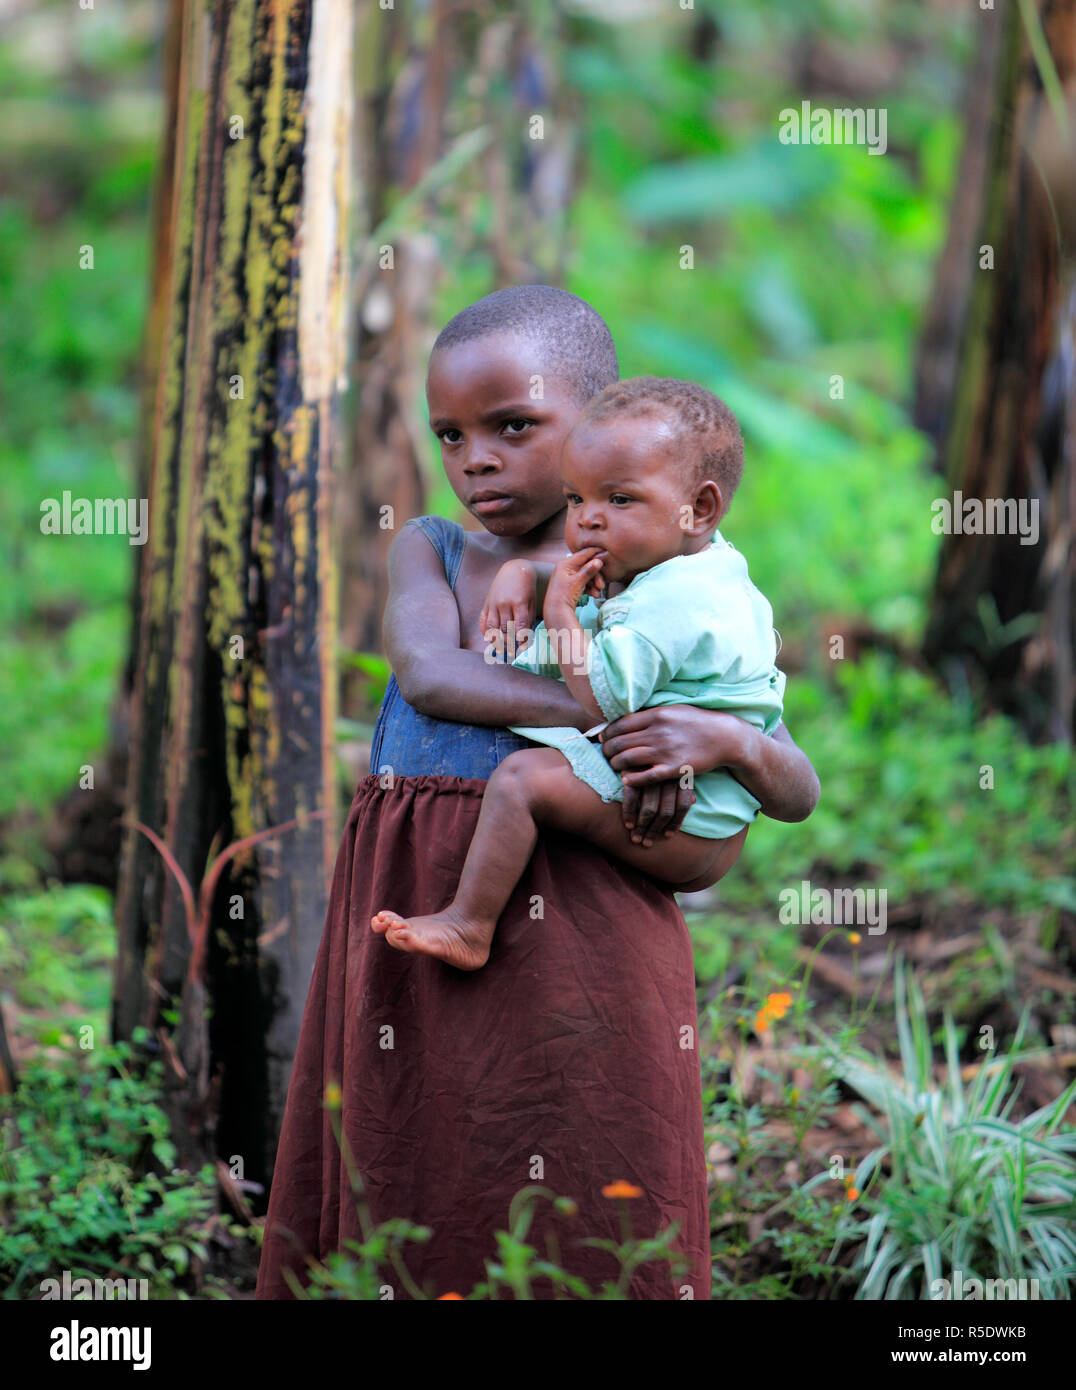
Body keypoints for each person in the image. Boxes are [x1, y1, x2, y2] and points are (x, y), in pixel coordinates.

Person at [255, 285, 820, 1302]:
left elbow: (786, 778)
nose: (475, 457)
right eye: (450, 434)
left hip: (588, 941)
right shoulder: (433, 549)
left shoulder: (670, 588)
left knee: (587, 1167)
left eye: (513, 426)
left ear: (597, 420)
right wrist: (606, 720)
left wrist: (716, 735)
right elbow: (430, 676)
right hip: (422, 897)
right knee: (412, 1157)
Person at [371, 377, 786, 972]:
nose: (589, 521)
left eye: (617, 500)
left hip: (682, 827)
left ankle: (469, 923)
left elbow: (605, 697)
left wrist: (557, 610)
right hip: (683, 821)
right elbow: (477, 671)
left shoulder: (682, 597)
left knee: (521, 782)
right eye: (576, 499)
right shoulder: (669, 568)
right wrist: (539, 593)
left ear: (699, 508)